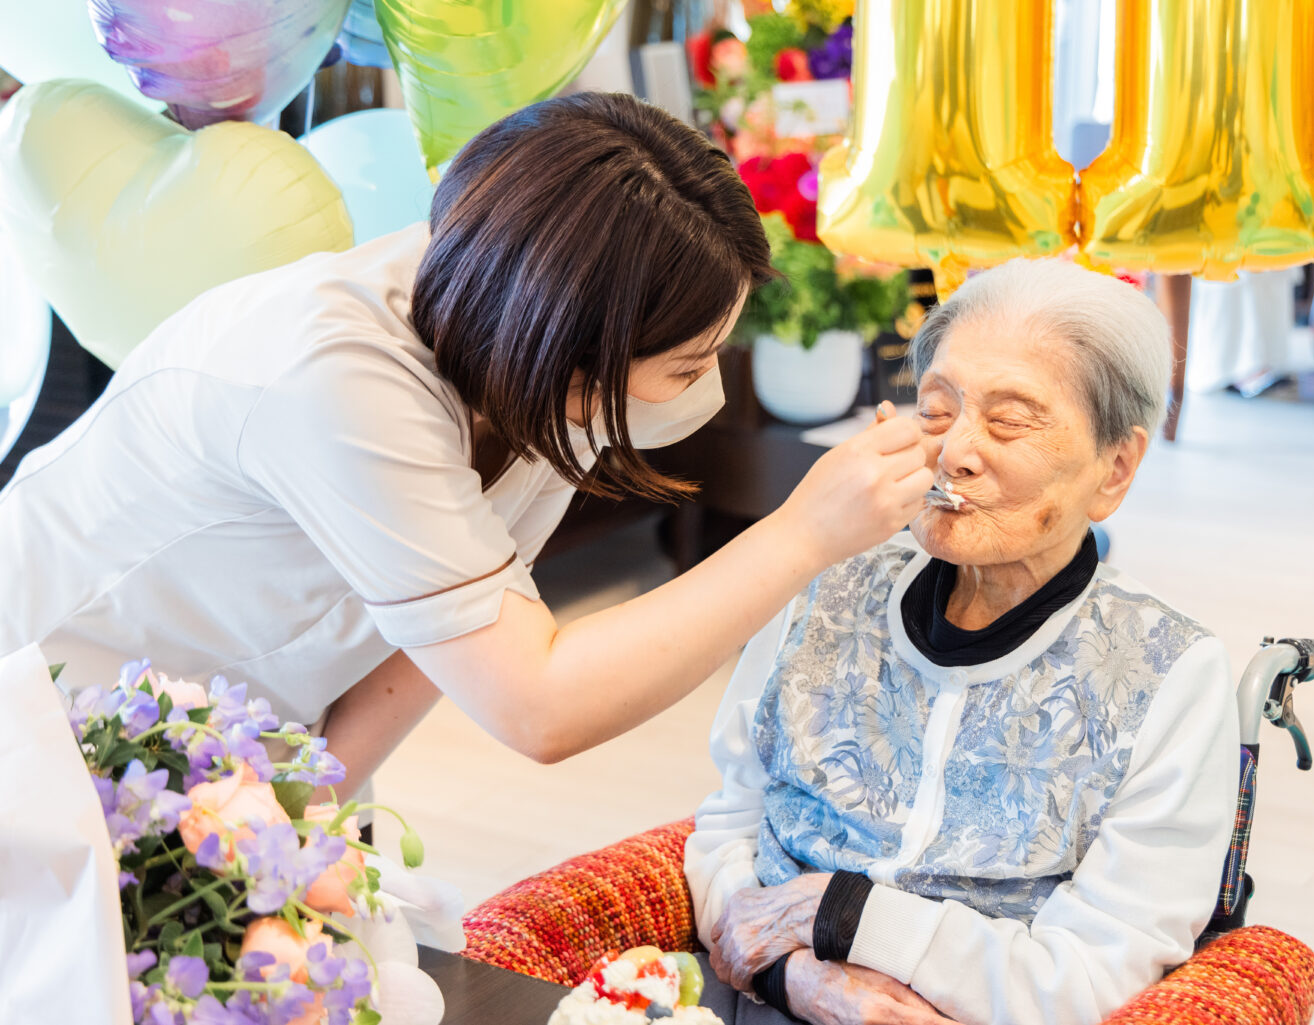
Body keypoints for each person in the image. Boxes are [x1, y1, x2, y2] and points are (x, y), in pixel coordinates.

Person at [0, 92, 932, 793]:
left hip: (230, 738)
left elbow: (445, 635)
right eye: (688, 366)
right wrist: (805, 533)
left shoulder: (530, 356)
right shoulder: (334, 376)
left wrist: (302, 825)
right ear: (574, 349)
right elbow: (539, 703)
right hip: (52, 702)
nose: (704, 388)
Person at [685, 259, 1239, 1025]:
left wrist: (849, 912)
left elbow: (1095, 971)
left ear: (1115, 469)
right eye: (937, 410)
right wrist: (793, 976)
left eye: (1010, 420)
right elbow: (728, 822)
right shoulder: (824, 583)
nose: (955, 451)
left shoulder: (1170, 672)